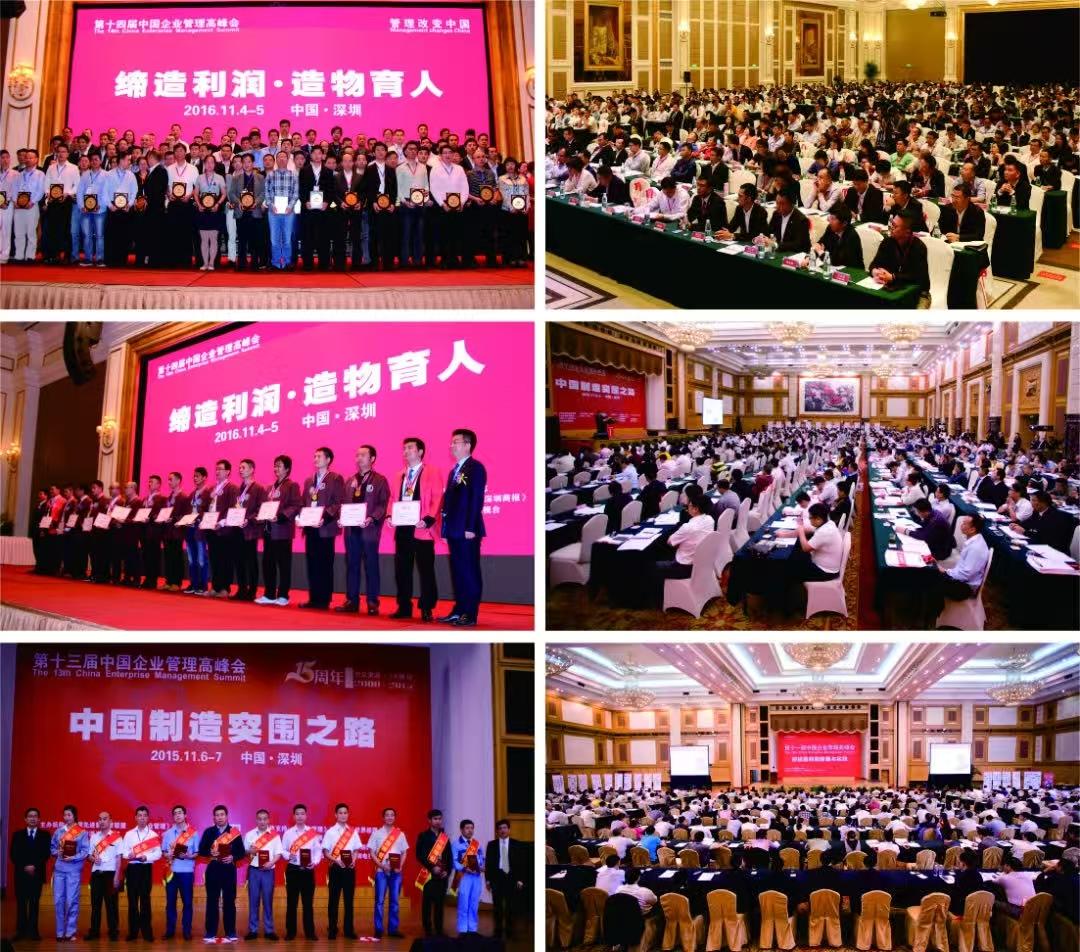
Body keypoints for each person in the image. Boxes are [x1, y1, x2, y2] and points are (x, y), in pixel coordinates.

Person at [391, 437, 444, 621]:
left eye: (410, 448)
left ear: (420, 452)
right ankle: (404, 606)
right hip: (402, 528)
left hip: (422, 528)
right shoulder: (400, 475)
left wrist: (429, 518)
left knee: (425, 569)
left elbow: (437, 497)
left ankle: (427, 607)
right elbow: (393, 499)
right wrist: (390, 516)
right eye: (404, 448)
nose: (406, 451)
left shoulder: (432, 472)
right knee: (402, 570)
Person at [440, 428, 487, 627]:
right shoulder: (454, 471)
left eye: (456, 442)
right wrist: (444, 530)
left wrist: (470, 526)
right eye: (451, 442)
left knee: (469, 571)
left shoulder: (475, 468)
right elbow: (448, 503)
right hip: (453, 529)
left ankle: (470, 613)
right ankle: (459, 609)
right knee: (458, 571)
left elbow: (476, 499)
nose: (451, 445)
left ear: (467, 445)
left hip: (467, 529)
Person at [337, 444, 390, 615]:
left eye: (363, 455)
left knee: (371, 565)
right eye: (357, 455)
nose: (359, 458)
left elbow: (383, 504)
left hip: (369, 530)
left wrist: (372, 518)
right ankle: (351, 601)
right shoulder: (350, 480)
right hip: (351, 530)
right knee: (352, 565)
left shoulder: (379, 480)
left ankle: (373, 602)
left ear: (372, 459)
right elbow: (343, 503)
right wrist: (341, 518)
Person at [300, 446, 345, 609]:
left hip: (325, 528)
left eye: (319, 456)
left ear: (328, 460)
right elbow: (303, 502)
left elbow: (338, 502)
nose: (316, 459)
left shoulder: (335, 478)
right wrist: (301, 517)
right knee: (312, 563)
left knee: (324, 563)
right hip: (310, 527)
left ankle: (324, 599)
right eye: (314, 456)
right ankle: (313, 598)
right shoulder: (309, 480)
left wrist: (323, 517)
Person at [925, 514, 990, 623]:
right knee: (931, 571)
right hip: (961, 579)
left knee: (931, 579)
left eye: (964, 524)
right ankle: (933, 610)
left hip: (965, 587)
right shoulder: (974, 540)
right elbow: (962, 569)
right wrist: (943, 570)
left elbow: (965, 575)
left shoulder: (976, 548)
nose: (961, 525)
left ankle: (933, 615)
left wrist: (945, 571)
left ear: (973, 529)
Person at [256, 454, 302, 605]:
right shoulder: (269, 487)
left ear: (287, 469)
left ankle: (283, 595)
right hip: (268, 530)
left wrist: (280, 516)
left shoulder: (292, 485)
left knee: (283, 564)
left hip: (282, 531)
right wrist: (261, 515)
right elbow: (264, 506)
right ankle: (269, 594)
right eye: (275, 465)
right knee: (268, 563)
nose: (276, 468)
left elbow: (296, 506)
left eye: (279, 465)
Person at [197, 804, 245, 942]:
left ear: (227, 816)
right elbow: (201, 850)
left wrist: (233, 857)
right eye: (217, 815)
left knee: (229, 901)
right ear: (214, 818)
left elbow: (241, 852)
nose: (219, 817)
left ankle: (231, 931)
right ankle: (210, 932)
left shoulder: (234, 832)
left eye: (222, 815)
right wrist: (210, 852)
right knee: (212, 901)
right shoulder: (209, 832)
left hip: (229, 870)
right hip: (213, 869)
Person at [869, 210, 931, 307]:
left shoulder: (918, 247)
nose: (891, 228)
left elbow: (917, 277)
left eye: (895, 226)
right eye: (891, 224)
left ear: (907, 232)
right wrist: (875, 272)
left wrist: (893, 277)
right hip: (891, 288)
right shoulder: (887, 242)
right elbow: (874, 264)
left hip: (918, 293)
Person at [119, 804, 161, 941]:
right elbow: (124, 852)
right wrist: (129, 854)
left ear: (148, 818)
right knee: (132, 901)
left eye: (144, 816)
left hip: (146, 869)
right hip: (132, 869)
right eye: (139, 815)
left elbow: (158, 853)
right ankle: (133, 933)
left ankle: (147, 933)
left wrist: (146, 857)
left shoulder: (153, 835)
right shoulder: (129, 834)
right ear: (135, 818)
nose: (142, 818)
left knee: (145, 901)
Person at [11, 807, 52, 941]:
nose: (32, 818)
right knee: (21, 903)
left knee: (34, 903)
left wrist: (34, 866)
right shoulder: (17, 835)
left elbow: (46, 854)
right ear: (25, 819)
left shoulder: (45, 835)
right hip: (21, 874)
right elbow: (14, 854)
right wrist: (25, 866)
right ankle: (21, 931)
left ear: (39, 819)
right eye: (30, 816)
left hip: (36, 874)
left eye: (35, 816)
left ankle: (33, 932)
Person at [282, 804, 321, 941]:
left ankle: (310, 933)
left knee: (308, 903)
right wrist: (289, 855)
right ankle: (290, 932)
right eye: (297, 814)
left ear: (306, 816)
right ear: (294, 816)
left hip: (308, 871)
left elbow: (318, 851)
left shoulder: (312, 833)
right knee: (291, 903)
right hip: (293, 870)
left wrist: (314, 862)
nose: (300, 816)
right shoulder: (288, 833)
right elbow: (283, 850)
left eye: (302, 814)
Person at [323, 803, 362, 940]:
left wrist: (354, 860)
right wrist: (336, 860)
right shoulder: (330, 832)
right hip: (335, 868)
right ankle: (332, 929)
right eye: (340, 813)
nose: (343, 815)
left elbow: (356, 849)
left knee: (349, 901)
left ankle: (348, 930)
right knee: (333, 900)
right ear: (336, 815)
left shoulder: (353, 832)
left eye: (345, 813)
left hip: (349, 869)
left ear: (348, 814)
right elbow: (325, 852)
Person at [368, 808, 408, 939]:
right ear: (383, 817)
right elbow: (372, 852)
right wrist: (381, 865)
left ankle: (393, 929)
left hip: (396, 872)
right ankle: (378, 929)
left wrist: (400, 866)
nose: (390, 817)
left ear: (394, 817)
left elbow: (404, 852)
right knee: (379, 901)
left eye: (392, 815)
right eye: (387, 815)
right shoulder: (376, 834)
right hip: (381, 871)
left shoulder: (400, 834)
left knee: (395, 901)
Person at [50, 805, 89, 942]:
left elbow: (85, 851)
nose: (66, 817)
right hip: (59, 869)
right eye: (65, 815)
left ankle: (70, 931)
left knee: (71, 901)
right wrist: (58, 852)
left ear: (74, 816)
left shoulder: (82, 832)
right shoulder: (58, 831)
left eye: (69, 815)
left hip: (73, 870)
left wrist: (74, 857)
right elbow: (52, 848)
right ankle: (60, 932)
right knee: (58, 901)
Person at [161, 804, 199, 941]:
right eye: (175, 813)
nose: (177, 815)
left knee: (187, 903)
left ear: (185, 815)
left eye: (180, 813)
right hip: (171, 872)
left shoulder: (193, 833)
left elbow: (196, 853)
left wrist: (188, 856)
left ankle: (187, 931)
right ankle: (170, 930)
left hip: (186, 872)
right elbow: (163, 852)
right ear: (173, 817)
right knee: (170, 903)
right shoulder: (168, 833)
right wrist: (168, 855)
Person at [243, 809, 281, 941]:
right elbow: (244, 853)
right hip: (254, 870)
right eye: (260, 819)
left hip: (268, 871)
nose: (262, 821)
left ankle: (269, 930)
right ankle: (253, 930)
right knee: (253, 900)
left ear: (268, 820)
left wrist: (271, 863)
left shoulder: (274, 835)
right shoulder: (249, 834)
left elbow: (278, 853)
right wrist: (250, 851)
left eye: (265, 819)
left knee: (267, 900)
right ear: (256, 820)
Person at [430, 143, 470, 268]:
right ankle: (445, 259)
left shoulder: (459, 169)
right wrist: (442, 204)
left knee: (456, 233)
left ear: (453, 155)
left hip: (458, 206)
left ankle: (454, 259)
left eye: (450, 153)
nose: (447, 155)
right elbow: (434, 188)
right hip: (443, 206)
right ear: (440, 155)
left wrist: (462, 202)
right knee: (444, 233)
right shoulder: (435, 169)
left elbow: (465, 186)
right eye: (445, 153)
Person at [231, 458, 266, 601]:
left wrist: (249, 519)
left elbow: (260, 509)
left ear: (252, 470)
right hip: (237, 530)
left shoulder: (258, 488)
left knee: (250, 561)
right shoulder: (238, 489)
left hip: (250, 530)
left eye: (243, 467)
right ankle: (241, 589)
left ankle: (251, 591)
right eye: (239, 468)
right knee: (238, 560)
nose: (240, 470)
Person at [486, 819, 527, 939]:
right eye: (500, 828)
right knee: (497, 906)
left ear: (509, 829)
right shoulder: (491, 845)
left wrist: (520, 879)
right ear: (497, 831)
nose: (502, 830)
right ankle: (498, 930)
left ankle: (510, 931)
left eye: (504, 828)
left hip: (511, 877)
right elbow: (488, 864)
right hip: (497, 878)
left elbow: (522, 864)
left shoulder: (517, 844)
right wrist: (488, 880)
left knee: (511, 906)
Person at [85, 811, 123, 941]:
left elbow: (119, 859)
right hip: (96, 874)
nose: (102, 821)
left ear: (110, 821)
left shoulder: (117, 837)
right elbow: (89, 855)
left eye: (105, 819)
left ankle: (113, 931)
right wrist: (93, 859)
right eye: (100, 819)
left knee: (111, 905)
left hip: (110, 874)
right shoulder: (94, 837)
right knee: (95, 905)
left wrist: (116, 877)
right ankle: (94, 931)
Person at [416, 810, 452, 937]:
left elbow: (449, 856)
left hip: (442, 874)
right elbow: (419, 855)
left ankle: (439, 927)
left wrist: (447, 871)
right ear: (429, 820)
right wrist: (432, 867)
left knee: (440, 903)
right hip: (428, 873)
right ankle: (427, 927)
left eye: (439, 819)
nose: (438, 821)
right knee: (427, 902)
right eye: (435, 819)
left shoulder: (444, 837)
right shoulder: (423, 836)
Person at [205, 459, 238, 597]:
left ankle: (225, 588)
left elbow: (232, 508)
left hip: (225, 529)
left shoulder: (232, 488)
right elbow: (206, 507)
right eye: (216, 469)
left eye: (220, 469)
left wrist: (222, 522)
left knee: (225, 559)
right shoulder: (212, 488)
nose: (217, 471)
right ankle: (215, 586)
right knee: (214, 558)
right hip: (211, 528)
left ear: (228, 471)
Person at [228, 152, 265, 270]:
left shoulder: (260, 177)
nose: (247, 164)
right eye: (244, 162)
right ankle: (242, 263)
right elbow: (231, 193)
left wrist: (256, 202)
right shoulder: (236, 178)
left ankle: (254, 263)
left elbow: (263, 193)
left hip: (255, 211)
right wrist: (238, 202)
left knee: (255, 239)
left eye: (249, 162)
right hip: (241, 212)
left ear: (253, 163)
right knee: (242, 239)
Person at [265, 149, 299, 270]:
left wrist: (290, 207)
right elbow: (267, 193)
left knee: (287, 238)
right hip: (273, 212)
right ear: (276, 160)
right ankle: (276, 262)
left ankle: (286, 262)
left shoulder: (293, 175)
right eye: (279, 157)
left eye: (284, 157)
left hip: (289, 212)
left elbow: (295, 193)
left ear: (287, 159)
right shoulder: (270, 175)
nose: (282, 159)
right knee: (274, 239)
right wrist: (270, 205)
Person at [194, 153, 226, 269]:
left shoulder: (220, 178)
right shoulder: (199, 177)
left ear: (215, 164)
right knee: (203, 239)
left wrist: (218, 204)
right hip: (202, 211)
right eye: (207, 162)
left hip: (214, 211)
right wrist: (199, 205)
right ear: (204, 164)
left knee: (213, 239)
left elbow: (224, 194)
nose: (209, 164)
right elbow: (196, 193)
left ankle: (212, 263)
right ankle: (204, 263)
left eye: (212, 162)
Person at [452, 820, 484, 937]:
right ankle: (463, 930)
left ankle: (472, 929)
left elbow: (482, 858)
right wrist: (464, 868)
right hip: (464, 876)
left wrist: (482, 866)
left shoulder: (477, 844)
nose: (470, 830)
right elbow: (454, 861)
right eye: (467, 828)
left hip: (476, 877)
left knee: (474, 903)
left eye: (472, 828)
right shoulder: (456, 844)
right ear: (461, 830)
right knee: (464, 903)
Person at [183, 466, 212, 595]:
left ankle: (203, 585)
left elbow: (209, 510)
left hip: (200, 529)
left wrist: (199, 517)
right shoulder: (192, 494)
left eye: (198, 476)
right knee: (191, 558)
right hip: (190, 528)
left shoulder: (208, 493)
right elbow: (187, 511)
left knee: (201, 558)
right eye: (194, 476)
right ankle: (193, 583)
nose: (195, 478)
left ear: (204, 477)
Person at [161, 471, 192, 592]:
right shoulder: (169, 497)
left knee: (177, 557)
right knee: (168, 556)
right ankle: (169, 581)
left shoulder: (184, 497)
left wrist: (174, 519)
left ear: (178, 481)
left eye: (171, 479)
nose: (169, 482)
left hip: (177, 532)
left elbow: (186, 515)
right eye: (168, 479)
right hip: (167, 532)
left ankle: (176, 582)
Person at [816, 202, 863, 268]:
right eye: (830, 217)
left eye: (833, 219)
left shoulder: (852, 236)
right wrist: (809, 257)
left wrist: (820, 252)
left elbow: (837, 261)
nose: (829, 221)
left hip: (851, 271)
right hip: (832, 268)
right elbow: (820, 243)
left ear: (844, 223)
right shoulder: (830, 228)